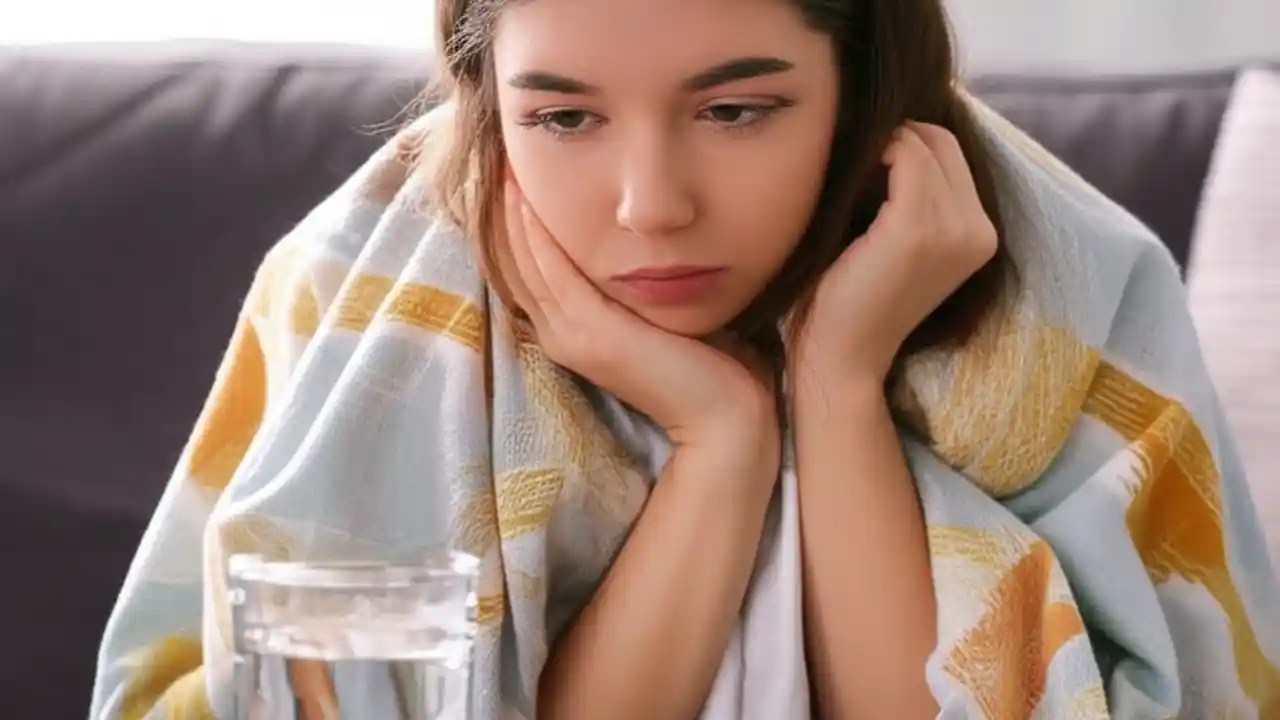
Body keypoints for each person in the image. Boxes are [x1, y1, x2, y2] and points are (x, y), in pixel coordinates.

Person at [91, 0, 1280, 718]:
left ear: (861, 95)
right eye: (561, 118)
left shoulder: (1072, 294)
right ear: (483, 104)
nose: (649, 207)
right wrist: (721, 440)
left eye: (735, 111)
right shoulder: (374, 300)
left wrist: (836, 385)